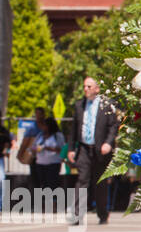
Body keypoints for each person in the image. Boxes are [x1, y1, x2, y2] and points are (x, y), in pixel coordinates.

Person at [71, 76, 118, 224]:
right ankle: (77, 216)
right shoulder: (79, 105)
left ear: (97, 89)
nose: (86, 89)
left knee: (100, 183)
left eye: (89, 86)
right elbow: (73, 129)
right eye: (85, 86)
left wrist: (108, 143)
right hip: (84, 148)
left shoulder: (107, 105)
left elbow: (113, 126)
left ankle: (102, 214)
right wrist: (72, 149)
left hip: (101, 149)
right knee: (82, 181)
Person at [31, 116, 66, 213]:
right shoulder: (40, 135)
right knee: (43, 184)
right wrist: (35, 149)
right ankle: (44, 205)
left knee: (52, 184)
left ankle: (54, 206)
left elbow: (62, 149)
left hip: (53, 163)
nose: (43, 127)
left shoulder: (57, 135)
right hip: (40, 163)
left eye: (45, 125)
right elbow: (33, 146)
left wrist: (49, 148)